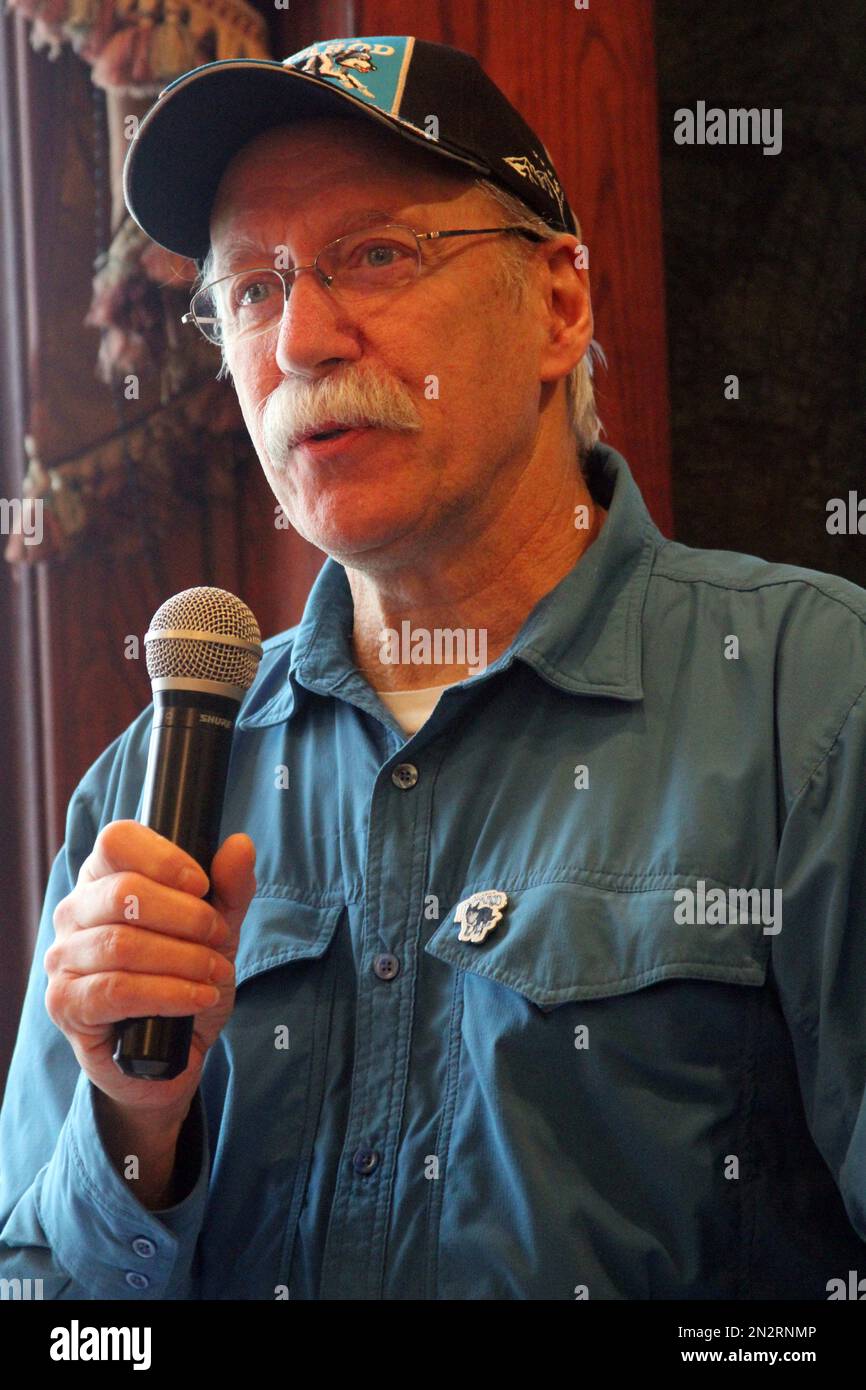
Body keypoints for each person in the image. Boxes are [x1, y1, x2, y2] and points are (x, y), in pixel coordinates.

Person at [1, 35, 865, 1302]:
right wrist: (135, 1127)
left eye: (375, 255)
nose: (297, 337)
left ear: (558, 305)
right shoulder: (144, 791)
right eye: (247, 288)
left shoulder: (813, 698)